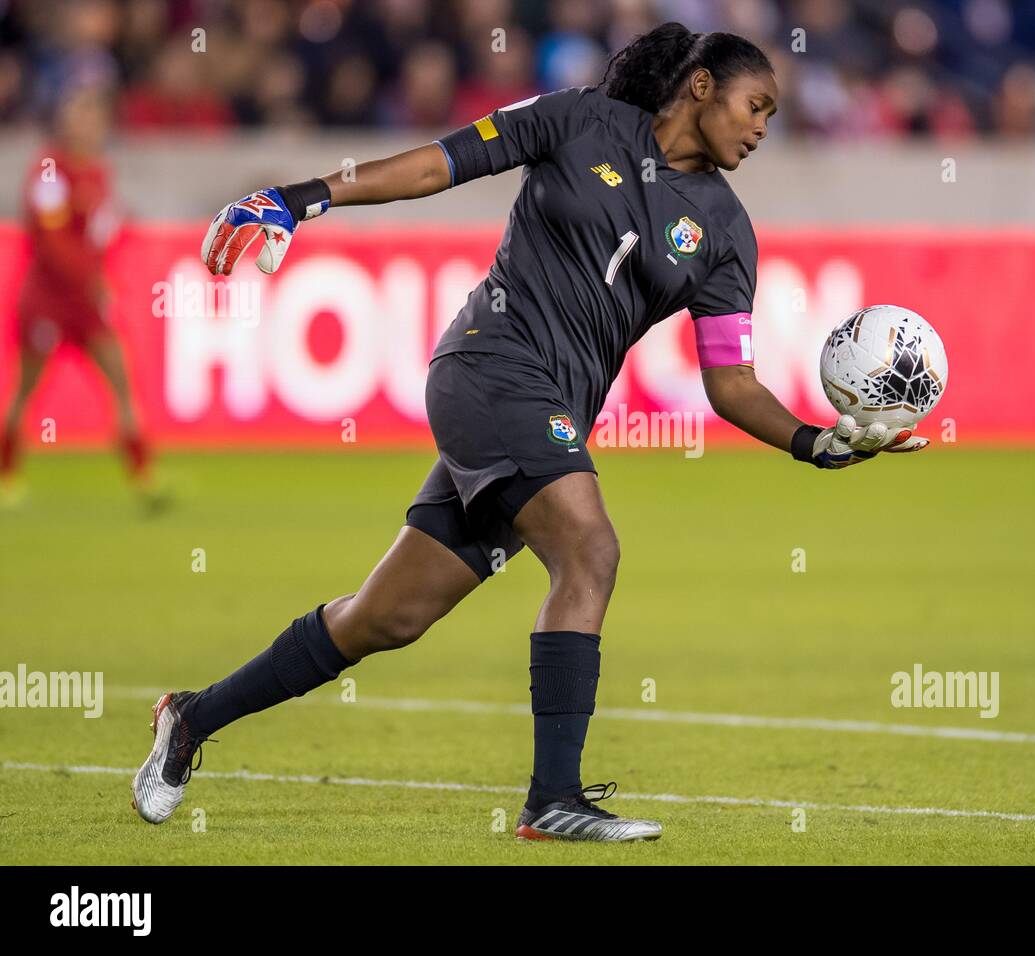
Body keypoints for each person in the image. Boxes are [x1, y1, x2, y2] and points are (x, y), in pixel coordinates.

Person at [130, 23, 925, 843]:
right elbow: (435, 165)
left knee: (384, 618)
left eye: (771, 115)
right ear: (700, 87)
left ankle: (191, 718)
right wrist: (305, 196)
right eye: (755, 106)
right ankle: (554, 799)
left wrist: (815, 442)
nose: (763, 128)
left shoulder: (726, 233)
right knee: (590, 549)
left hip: (549, 412)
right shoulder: (577, 119)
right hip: (488, 367)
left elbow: (729, 383)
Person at [1, 84, 163, 509]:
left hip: (87, 302)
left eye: (94, 117)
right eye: (80, 115)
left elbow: (100, 232)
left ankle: (143, 479)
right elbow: (51, 241)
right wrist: (91, 279)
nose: (88, 125)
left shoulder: (98, 172)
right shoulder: (50, 171)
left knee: (123, 385)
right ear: (64, 121)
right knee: (26, 391)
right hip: (49, 299)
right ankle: (6, 477)